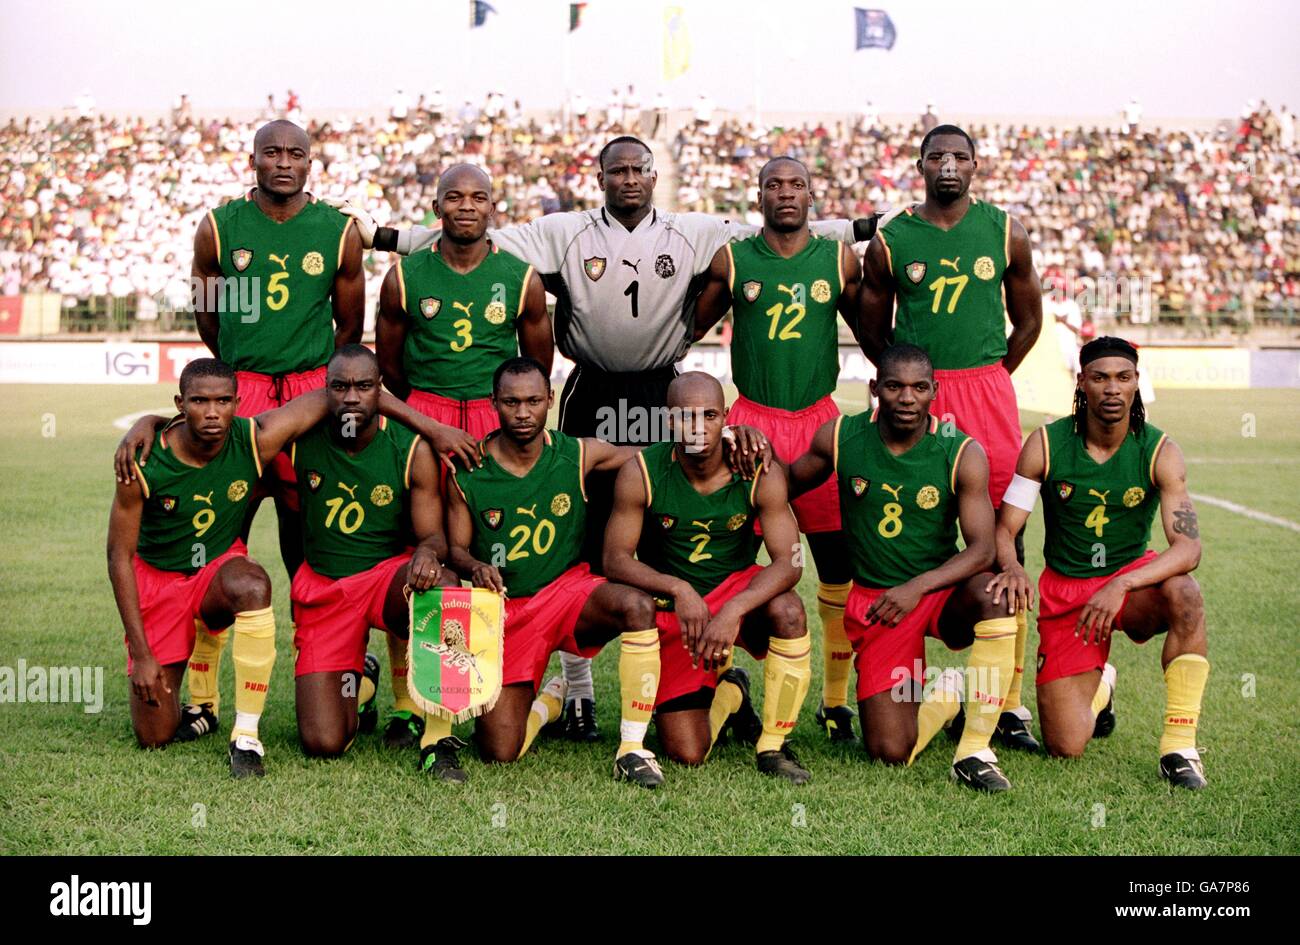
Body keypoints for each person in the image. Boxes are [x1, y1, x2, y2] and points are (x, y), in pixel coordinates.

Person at [335, 136, 877, 741]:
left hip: (657, 394)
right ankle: (578, 690)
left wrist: (862, 226)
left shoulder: (692, 230)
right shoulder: (562, 231)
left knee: (671, 506)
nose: (629, 179)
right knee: (585, 529)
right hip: (592, 390)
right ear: (600, 178)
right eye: (616, 171)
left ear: (652, 175)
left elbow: (778, 227)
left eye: (639, 170)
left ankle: (709, 673)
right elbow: (479, 234)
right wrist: (387, 238)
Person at [860, 123, 1043, 752]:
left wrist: (989, 378)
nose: (948, 165)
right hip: (920, 393)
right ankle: (898, 666)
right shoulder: (892, 239)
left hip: (986, 393)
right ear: (919, 164)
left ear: (975, 166)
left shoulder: (1004, 230)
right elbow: (871, 326)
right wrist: (913, 387)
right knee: (919, 517)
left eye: (959, 156)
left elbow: (1029, 320)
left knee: (1003, 538)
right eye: (937, 155)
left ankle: (1008, 705)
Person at [787, 345, 1019, 791]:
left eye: (918, 387)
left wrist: (919, 587)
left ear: (935, 391)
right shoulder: (840, 436)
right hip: (880, 602)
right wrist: (744, 449)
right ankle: (946, 695)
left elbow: (983, 550)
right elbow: (786, 482)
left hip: (940, 593)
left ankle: (975, 751)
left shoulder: (960, 451)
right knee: (890, 751)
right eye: (894, 386)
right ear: (875, 389)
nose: (907, 398)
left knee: (994, 595)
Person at [987, 337, 1209, 789]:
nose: (1112, 389)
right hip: (1067, 592)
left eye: (1123, 378)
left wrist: (1121, 584)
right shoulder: (1045, 445)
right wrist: (1011, 565)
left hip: (1131, 584)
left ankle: (1179, 748)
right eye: (1101, 377)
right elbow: (1005, 528)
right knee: (1065, 746)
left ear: (1136, 385)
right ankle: (1101, 687)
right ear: (1082, 382)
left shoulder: (1160, 450)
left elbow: (1188, 549)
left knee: (1185, 592)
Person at [693, 156, 864, 742]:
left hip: (819, 423)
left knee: (837, 565)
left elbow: (876, 334)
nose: (785, 194)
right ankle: (716, 687)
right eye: (774, 185)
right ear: (759, 195)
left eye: (796, 185)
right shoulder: (735, 258)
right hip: (750, 424)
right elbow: (686, 327)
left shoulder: (838, 259)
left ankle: (837, 702)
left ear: (812, 195)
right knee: (728, 555)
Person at [108, 359, 342, 777]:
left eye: (222, 401)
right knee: (154, 736)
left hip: (215, 571)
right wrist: (142, 654)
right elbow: (119, 558)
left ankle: (246, 735)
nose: (212, 412)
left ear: (238, 403)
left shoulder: (253, 439)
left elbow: (333, 395)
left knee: (252, 585)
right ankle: (201, 699)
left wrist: (428, 424)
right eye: (199, 401)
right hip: (160, 581)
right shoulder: (141, 462)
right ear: (180, 404)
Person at [444, 358, 660, 779]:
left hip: (569, 594)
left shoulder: (576, 453)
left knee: (637, 606)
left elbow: (653, 455)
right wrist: (475, 566)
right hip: (509, 612)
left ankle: (633, 748)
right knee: (499, 751)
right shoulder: (468, 469)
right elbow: (455, 549)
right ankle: (549, 704)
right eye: (510, 402)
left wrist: (724, 436)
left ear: (550, 400)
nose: (522, 413)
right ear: (493, 402)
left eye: (532, 401)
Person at [603, 373, 812, 786]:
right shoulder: (641, 471)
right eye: (686, 416)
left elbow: (790, 562)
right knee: (687, 751)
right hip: (676, 607)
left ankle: (773, 744)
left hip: (737, 592)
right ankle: (732, 694)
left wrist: (734, 608)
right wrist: (678, 588)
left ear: (727, 418)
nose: (698, 427)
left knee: (789, 609)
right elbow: (615, 559)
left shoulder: (758, 470)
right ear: (668, 420)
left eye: (709, 415)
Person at [192, 120, 365, 583]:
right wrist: (241, 366)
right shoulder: (218, 226)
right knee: (224, 519)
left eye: (294, 154)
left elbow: (349, 325)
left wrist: (318, 381)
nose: (283, 162)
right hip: (241, 388)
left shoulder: (338, 229)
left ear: (310, 163)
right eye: (271, 153)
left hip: (309, 391)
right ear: (252, 161)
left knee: (308, 529)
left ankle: (315, 643)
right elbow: (207, 312)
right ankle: (208, 649)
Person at [287, 345, 458, 771]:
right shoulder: (295, 444)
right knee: (324, 742)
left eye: (364, 387)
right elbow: (234, 439)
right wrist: (153, 421)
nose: (351, 398)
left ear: (380, 391)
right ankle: (360, 684)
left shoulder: (411, 448)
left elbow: (434, 535)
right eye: (339, 387)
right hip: (326, 589)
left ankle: (439, 737)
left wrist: (425, 553)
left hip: (384, 581)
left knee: (444, 588)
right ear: (323, 391)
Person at [376, 164, 551, 440]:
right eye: (454, 197)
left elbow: (537, 367)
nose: (467, 206)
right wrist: (424, 405)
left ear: (491, 208)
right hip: (425, 412)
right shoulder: (403, 276)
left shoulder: (522, 277)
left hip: (494, 414)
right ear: (437, 208)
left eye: (478, 198)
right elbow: (388, 366)